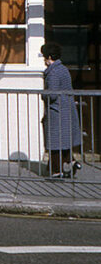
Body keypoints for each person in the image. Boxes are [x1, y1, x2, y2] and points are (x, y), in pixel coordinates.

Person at [40, 42, 82, 178]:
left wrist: (43, 94)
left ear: (49, 57)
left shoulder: (53, 73)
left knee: (55, 143)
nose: (44, 59)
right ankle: (72, 162)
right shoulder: (63, 69)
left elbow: (52, 94)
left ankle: (56, 172)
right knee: (62, 141)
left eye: (45, 56)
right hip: (66, 109)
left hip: (56, 111)